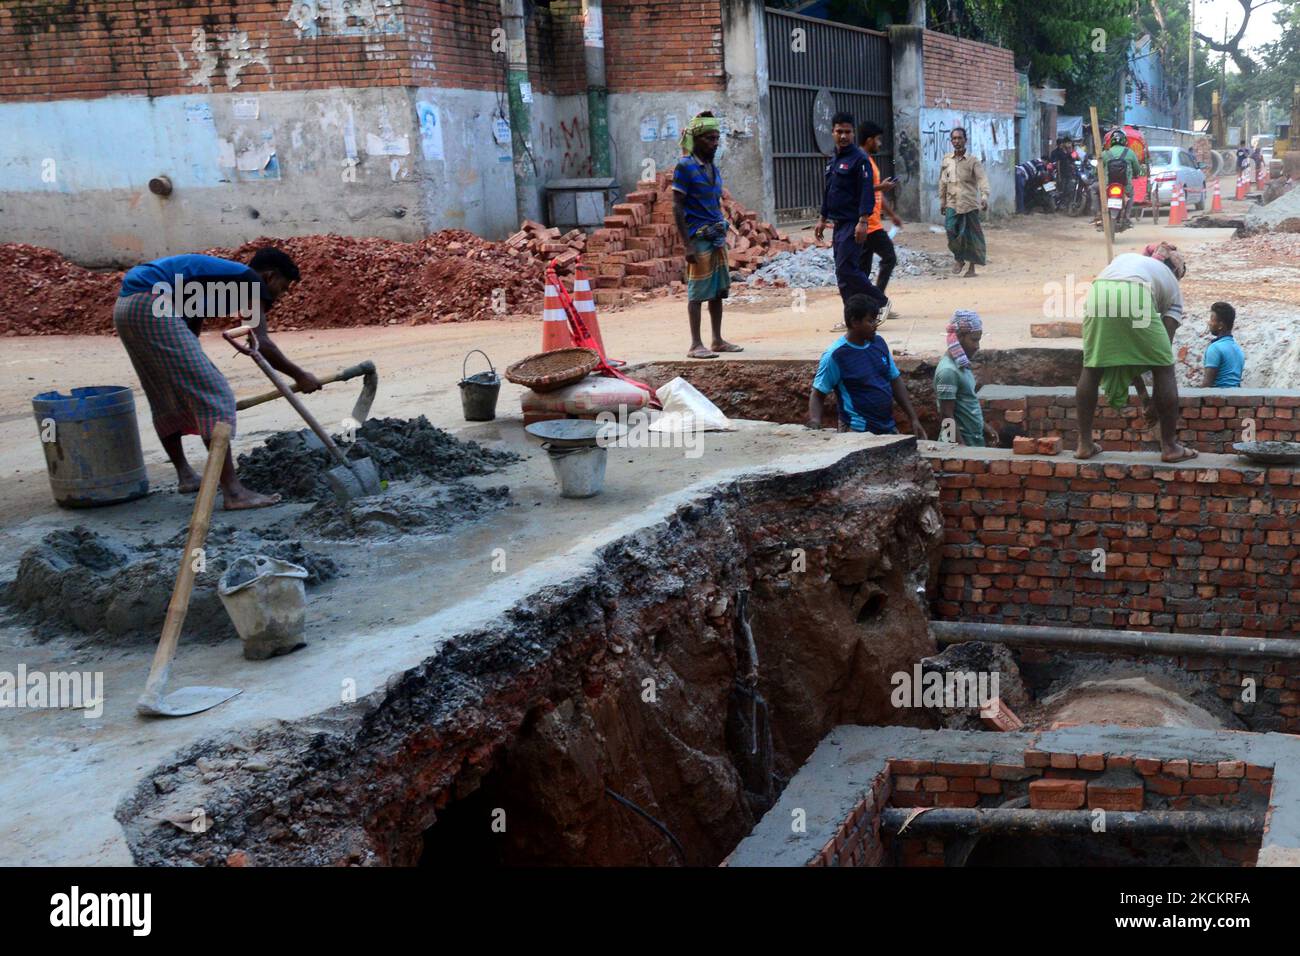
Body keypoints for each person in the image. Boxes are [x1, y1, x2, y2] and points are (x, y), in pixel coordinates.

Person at [113, 248, 321, 509]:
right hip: (154, 302)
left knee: (166, 392)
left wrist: (190, 363)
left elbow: (191, 323)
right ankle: (234, 493)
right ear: (269, 276)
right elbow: (262, 343)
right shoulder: (250, 281)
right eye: (284, 286)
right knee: (215, 394)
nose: (282, 294)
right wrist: (300, 375)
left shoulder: (220, 280)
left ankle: (186, 475)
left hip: (128, 305)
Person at [1075, 242, 1196, 463]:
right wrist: (1149, 401)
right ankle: (1170, 447)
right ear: (1176, 272)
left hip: (1098, 290)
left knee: (1092, 366)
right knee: (1165, 368)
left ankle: (1084, 444)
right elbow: (1158, 357)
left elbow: (1129, 353)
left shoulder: (1130, 260)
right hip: (1136, 290)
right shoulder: (1172, 287)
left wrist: (1145, 398)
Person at [672, 111, 742, 359]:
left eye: (716, 138)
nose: (715, 143)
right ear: (698, 139)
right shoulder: (685, 167)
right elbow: (677, 206)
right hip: (698, 237)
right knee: (698, 291)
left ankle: (717, 339)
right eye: (710, 139)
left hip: (716, 236)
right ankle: (695, 344)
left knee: (718, 290)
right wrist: (687, 244)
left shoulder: (712, 167)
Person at [808, 294, 925, 437]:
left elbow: (894, 380)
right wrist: (815, 422)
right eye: (870, 321)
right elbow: (818, 393)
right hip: (856, 432)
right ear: (855, 322)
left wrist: (913, 418)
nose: (875, 325)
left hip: (887, 427)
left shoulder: (879, 343)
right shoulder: (836, 355)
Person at [815, 112, 889, 322]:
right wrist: (822, 218)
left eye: (847, 132)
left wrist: (863, 221)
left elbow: (867, 192)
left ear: (854, 133)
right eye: (839, 131)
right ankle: (853, 318)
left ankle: (880, 302)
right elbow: (829, 191)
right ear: (832, 132)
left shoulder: (860, 159)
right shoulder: (834, 160)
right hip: (838, 225)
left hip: (853, 222)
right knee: (843, 275)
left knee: (847, 269)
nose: (843, 136)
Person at [934, 310, 999, 446]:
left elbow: (967, 404)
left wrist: (985, 428)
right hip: (960, 445)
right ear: (959, 337)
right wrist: (962, 451)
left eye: (978, 340)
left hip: (973, 442)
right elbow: (946, 416)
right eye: (974, 340)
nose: (977, 346)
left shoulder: (962, 365)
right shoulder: (948, 371)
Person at [857, 121, 904, 300]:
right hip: (868, 224)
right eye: (878, 140)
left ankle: (863, 306)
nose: (880, 143)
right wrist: (880, 187)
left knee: (863, 270)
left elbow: (876, 194)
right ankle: (877, 300)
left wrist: (892, 215)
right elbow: (858, 189)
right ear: (869, 140)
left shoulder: (868, 160)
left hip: (871, 223)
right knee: (889, 258)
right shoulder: (860, 160)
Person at [939, 127, 990, 278]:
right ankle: (959, 258)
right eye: (954, 138)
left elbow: (982, 179)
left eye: (959, 138)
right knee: (950, 230)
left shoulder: (973, 161)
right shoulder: (947, 160)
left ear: (965, 140)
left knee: (971, 236)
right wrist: (942, 200)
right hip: (952, 203)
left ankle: (972, 268)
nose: (957, 141)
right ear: (951, 141)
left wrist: (985, 196)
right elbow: (942, 181)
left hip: (969, 203)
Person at [1101, 129, 1141, 226]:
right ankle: (1127, 217)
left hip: (1107, 186)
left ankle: (1099, 214)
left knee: (1094, 190)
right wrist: (1136, 174)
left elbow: (1097, 170)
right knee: (1130, 195)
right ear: (1124, 141)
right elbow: (1137, 169)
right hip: (1125, 186)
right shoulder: (1130, 153)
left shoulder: (1105, 153)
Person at [1202, 302, 1244, 388]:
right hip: (1235, 398)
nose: (1209, 323)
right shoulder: (1238, 349)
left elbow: (1207, 385)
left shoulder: (1215, 348)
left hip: (1218, 399)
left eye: (1211, 319)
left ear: (1220, 325)